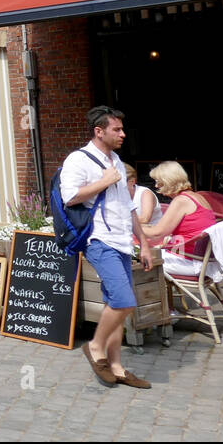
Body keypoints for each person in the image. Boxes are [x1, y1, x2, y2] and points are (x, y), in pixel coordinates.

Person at [62, 105, 152, 389]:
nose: (123, 134)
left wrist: (144, 244)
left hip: (122, 241)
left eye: (122, 129)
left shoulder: (116, 161)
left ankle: (117, 367)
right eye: (117, 129)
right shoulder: (78, 160)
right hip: (99, 240)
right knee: (124, 301)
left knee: (114, 303)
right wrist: (103, 182)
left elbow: (129, 208)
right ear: (99, 131)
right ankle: (95, 347)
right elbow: (70, 197)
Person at [123, 163, 162, 228]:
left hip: (150, 233)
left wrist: (116, 220)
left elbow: (144, 219)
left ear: (132, 181)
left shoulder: (145, 193)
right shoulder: (116, 195)